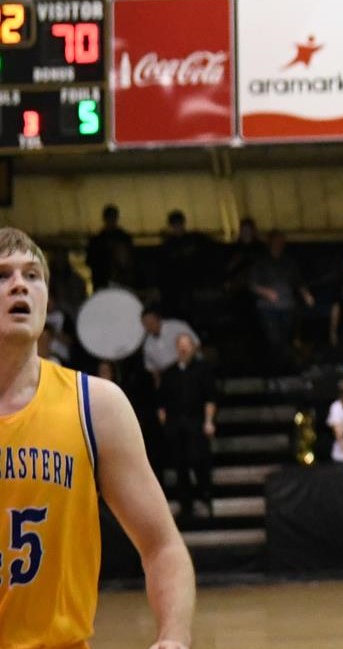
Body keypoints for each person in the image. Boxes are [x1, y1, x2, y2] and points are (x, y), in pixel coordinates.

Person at [0, 226, 196, 649]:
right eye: (3, 275)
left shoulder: (96, 406)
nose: (19, 284)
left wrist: (173, 639)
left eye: (32, 276)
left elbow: (163, 546)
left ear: (47, 301)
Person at [157, 332, 217, 523]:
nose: (183, 348)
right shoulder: (169, 373)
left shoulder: (203, 369)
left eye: (187, 345)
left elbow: (210, 398)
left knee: (198, 460)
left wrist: (209, 421)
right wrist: (165, 422)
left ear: (193, 347)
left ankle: (204, 495)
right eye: (180, 345)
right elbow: (161, 402)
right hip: (176, 425)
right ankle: (186, 505)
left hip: (196, 422)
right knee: (180, 465)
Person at [247, 230, 301, 367]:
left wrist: (306, 294)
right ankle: (276, 367)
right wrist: (265, 292)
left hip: (287, 305)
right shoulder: (261, 262)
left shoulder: (289, 262)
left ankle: (287, 366)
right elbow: (251, 284)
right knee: (274, 339)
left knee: (286, 338)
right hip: (268, 308)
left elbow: (298, 281)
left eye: (281, 241)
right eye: (277, 241)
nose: (279, 244)